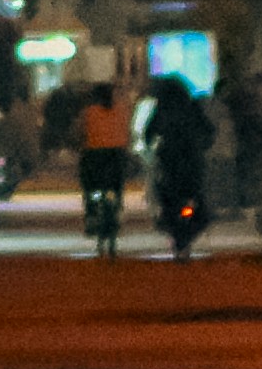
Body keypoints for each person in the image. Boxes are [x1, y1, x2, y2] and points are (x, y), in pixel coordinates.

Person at [144, 70, 215, 261]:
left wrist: (151, 145)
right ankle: (187, 233)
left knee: (167, 197)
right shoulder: (193, 106)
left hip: (169, 161)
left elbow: (149, 132)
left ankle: (174, 231)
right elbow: (208, 131)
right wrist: (204, 145)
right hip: (192, 161)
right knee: (196, 197)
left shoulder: (162, 109)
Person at [74, 78, 134, 256]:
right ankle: (116, 206)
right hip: (117, 155)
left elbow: (78, 133)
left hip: (94, 156)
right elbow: (127, 133)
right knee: (116, 185)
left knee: (89, 183)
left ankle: (92, 212)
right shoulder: (122, 110)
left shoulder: (88, 113)